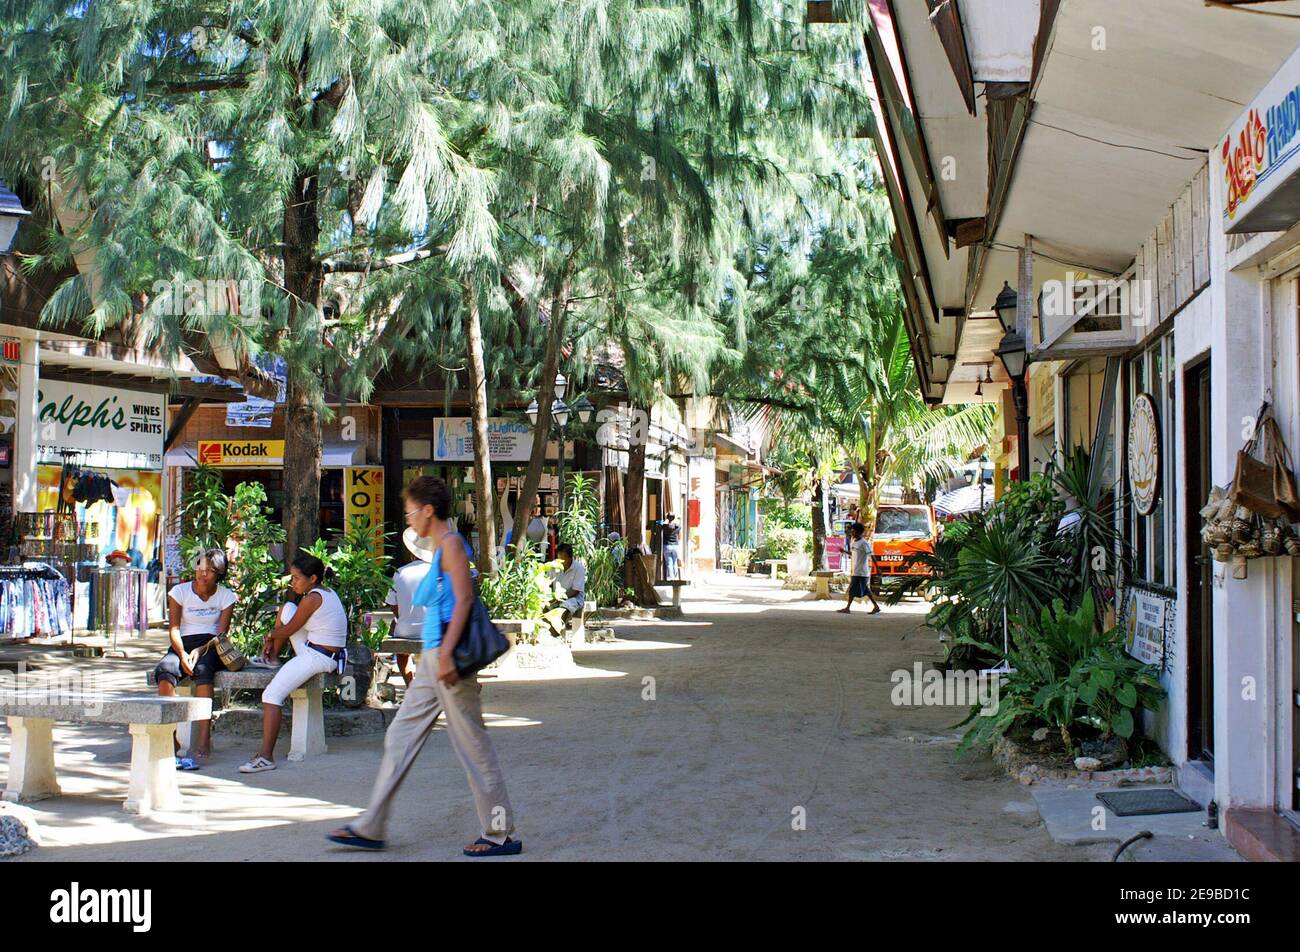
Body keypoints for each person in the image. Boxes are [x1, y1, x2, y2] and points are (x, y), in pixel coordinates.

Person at [326, 476, 521, 857]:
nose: (408, 518)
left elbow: (463, 601)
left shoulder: (450, 546)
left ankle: (501, 834)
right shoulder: (439, 548)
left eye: (411, 510)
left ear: (428, 510)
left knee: (474, 749)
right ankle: (370, 827)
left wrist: (446, 654)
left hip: (447, 661)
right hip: (434, 661)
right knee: (399, 737)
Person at [238, 554, 348, 773]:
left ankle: (266, 757)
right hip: (315, 647)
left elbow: (288, 630)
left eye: (297, 578)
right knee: (286, 608)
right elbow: (291, 625)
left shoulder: (312, 599)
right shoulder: (325, 592)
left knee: (271, 695)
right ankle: (272, 658)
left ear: (313, 578)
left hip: (319, 657)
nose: (293, 582)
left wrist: (269, 636)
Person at [154, 549, 237, 765]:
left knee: (203, 671)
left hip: (210, 645)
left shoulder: (226, 596)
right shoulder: (180, 591)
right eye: (200, 568)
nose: (203, 574)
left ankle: (203, 737)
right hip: (182, 643)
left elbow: (221, 634)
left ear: (219, 572)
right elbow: (173, 628)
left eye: (209, 570)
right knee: (165, 671)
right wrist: (182, 654)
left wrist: (199, 651)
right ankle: (169, 734)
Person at [384, 528, 434, 686]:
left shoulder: (400, 572)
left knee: (402, 654)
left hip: (405, 630)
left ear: (413, 554)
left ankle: (410, 684)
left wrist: (404, 617)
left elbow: (392, 604)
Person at [838, 522, 882, 615]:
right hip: (856, 570)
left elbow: (872, 555)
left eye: (853, 531)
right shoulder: (854, 542)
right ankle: (876, 606)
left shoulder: (864, 543)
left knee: (853, 589)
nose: (852, 533)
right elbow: (853, 553)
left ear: (858, 532)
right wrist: (845, 551)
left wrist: (877, 568)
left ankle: (847, 608)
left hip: (862, 571)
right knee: (866, 590)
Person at [551, 543, 587, 621]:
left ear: (570, 557)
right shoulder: (554, 565)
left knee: (564, 607)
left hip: (574, 599)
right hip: (555, 598)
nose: (561, 562)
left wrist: (560, 599)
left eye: (564, 559)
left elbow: (575, 591)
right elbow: (549, 582)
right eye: (559, 559)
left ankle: (559, 629)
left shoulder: (578, 568)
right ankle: (553, 631)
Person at [659, 512, 681, 579]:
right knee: (675, 562)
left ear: (667, 518)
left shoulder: (664, 526)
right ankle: (676, 577)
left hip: (667, 546)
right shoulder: (677, 527)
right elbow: (678, 526)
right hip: (675, 546)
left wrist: (665, 520)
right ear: (674, 518)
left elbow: (660, 525)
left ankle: (672, 577)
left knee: (669, 563)